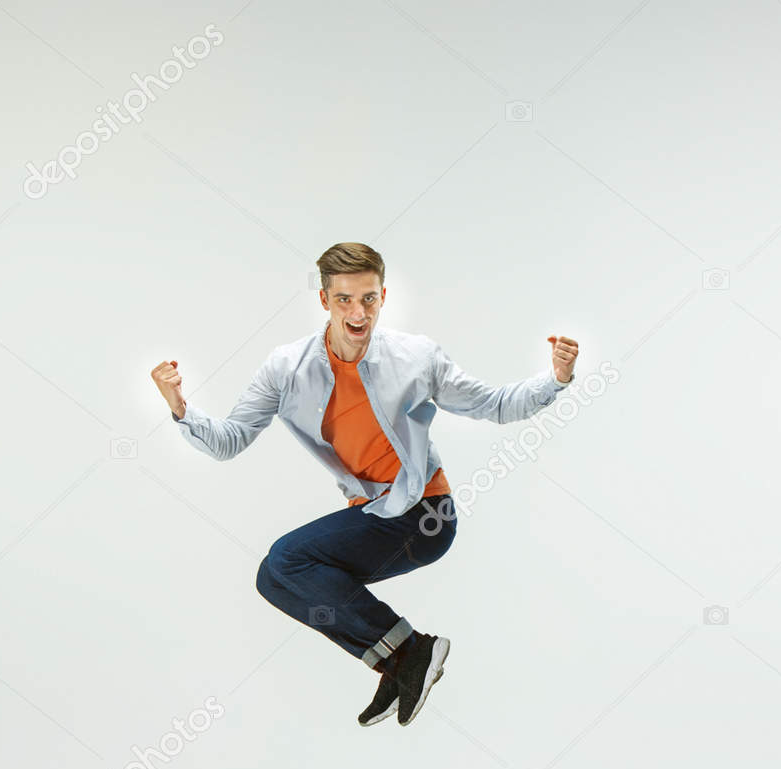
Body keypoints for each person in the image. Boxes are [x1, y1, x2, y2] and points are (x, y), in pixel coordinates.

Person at [151, 241, 579, 727]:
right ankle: (397, 660)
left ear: (382, 297)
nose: (358, 313)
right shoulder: (287, 369)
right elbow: (229, 441)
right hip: (373, 513)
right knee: (275, 578)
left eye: (369, 299)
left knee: (288, 559)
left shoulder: (415, 357)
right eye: (345, 300)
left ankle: (413, 650)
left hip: (424, 515)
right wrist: (181, 408)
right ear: (325, 301)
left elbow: (496, 405)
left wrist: (556, 378)